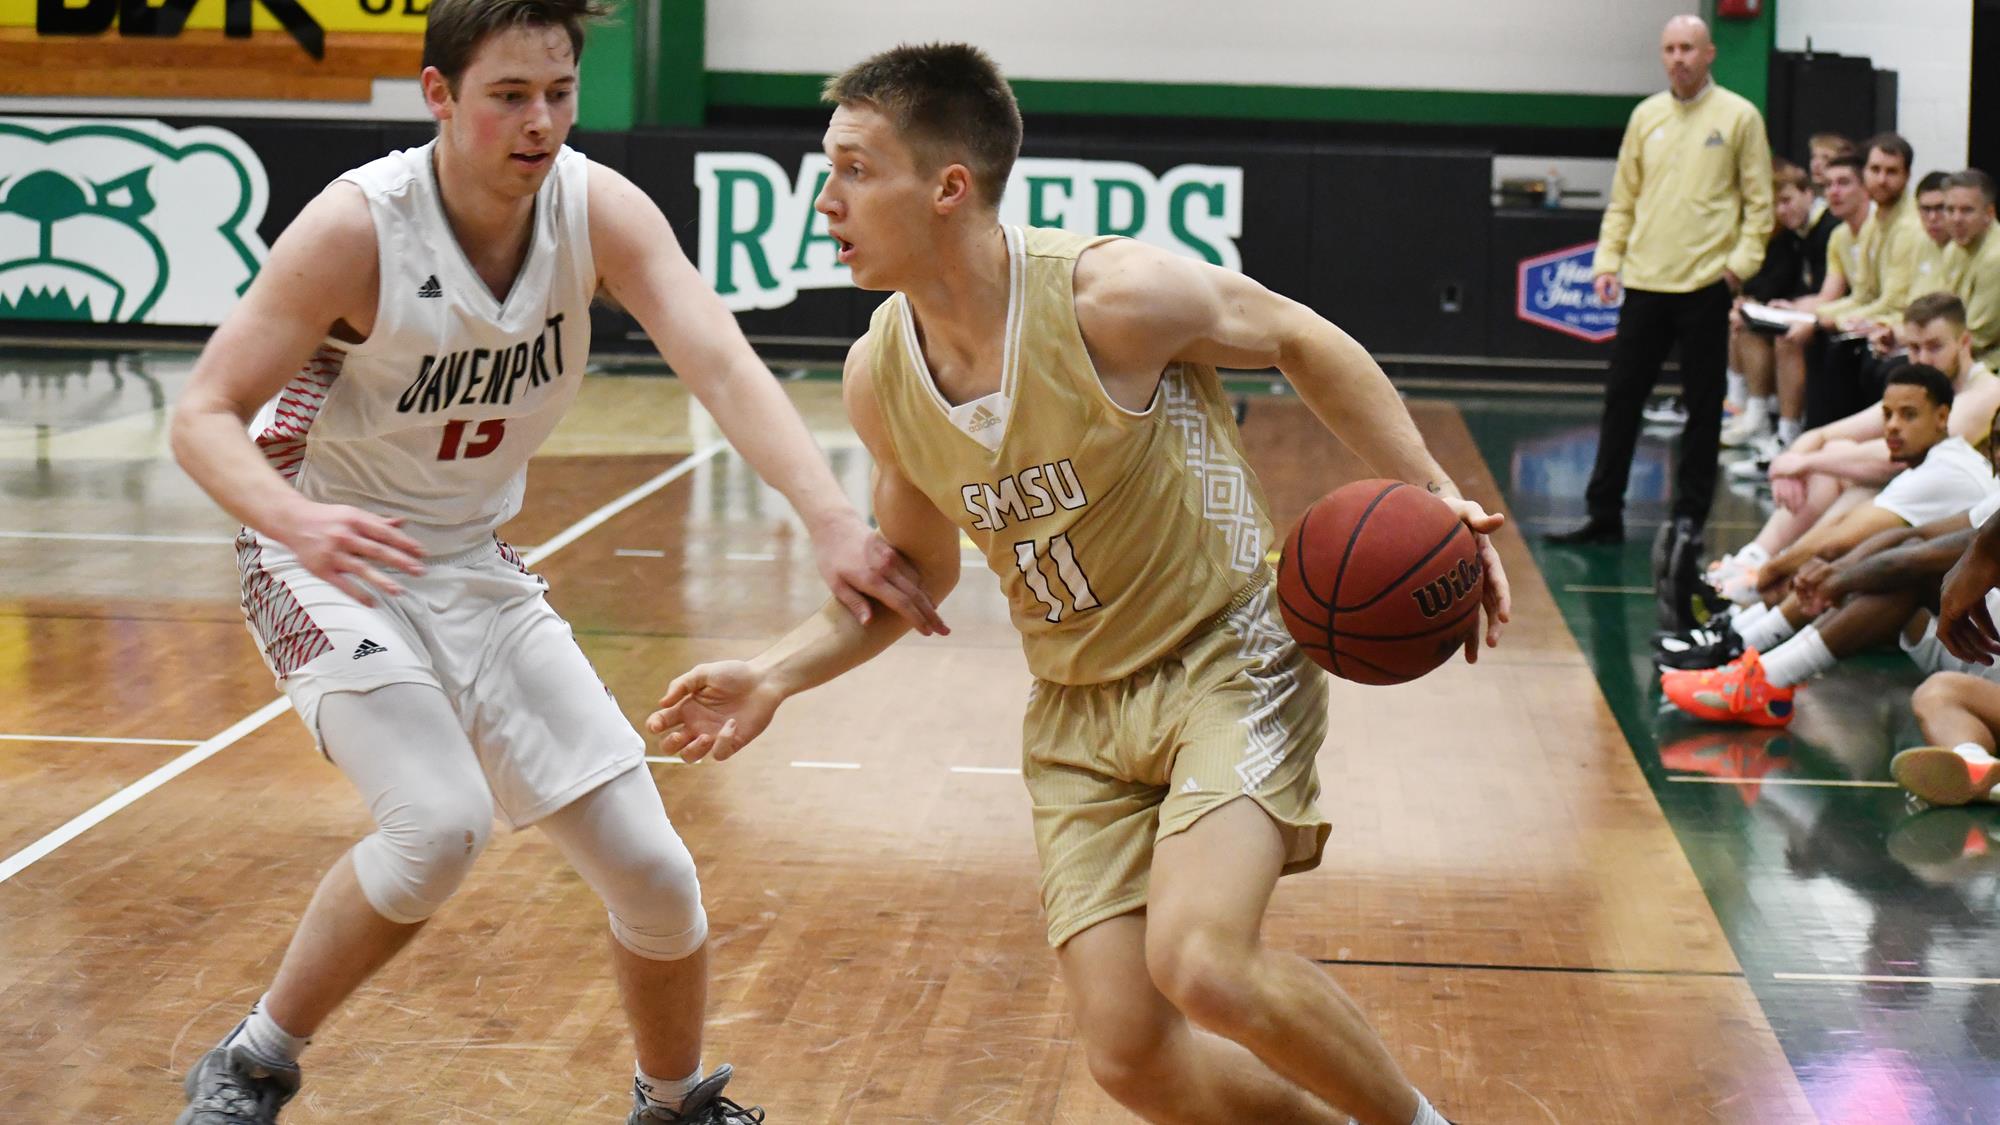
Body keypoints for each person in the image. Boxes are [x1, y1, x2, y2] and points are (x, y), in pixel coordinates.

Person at [646, 42, 1508, 1125]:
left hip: (1225, 657)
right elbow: (913, 572)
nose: (827, 199)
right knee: (1132, 1061)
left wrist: (1430, 490)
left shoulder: (1110, 296)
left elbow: (1295, 335)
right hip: (1076, 715)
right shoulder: (880, 377)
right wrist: (772, 676)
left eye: (857, 169)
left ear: (947, 186)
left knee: (1204, 963)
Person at [166, 2, 946, 1123]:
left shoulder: (595, 210)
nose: (541, 123)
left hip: (472, 559)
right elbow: (202, 416)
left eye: (559, 95)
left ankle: (673, 1105)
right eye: (509, 97)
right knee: (436, 825)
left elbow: (720, 364)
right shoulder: (357, 228)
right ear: (438, 96)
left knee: (655, 876)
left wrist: (830, 520)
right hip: (323, 551)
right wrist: (295, 524)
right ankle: (251, 1060)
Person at [1546, 14, 1772, 554]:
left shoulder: (1740, 117)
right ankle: (1603, 513)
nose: (1679, 58)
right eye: (1670, 48)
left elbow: (1760, 205)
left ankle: (1690, 519)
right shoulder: (1646, 116)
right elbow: (1623, 198)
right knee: (1622, 398)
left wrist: (1738, 265)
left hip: (1705, 283)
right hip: (1645, 281)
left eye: (1689, 48)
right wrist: (1607, 262)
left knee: (1703, 405)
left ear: (1710, 52)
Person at [1659, 365, 1997, 724]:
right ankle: (1744, 645)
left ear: (1943, 417)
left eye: (1908, 415)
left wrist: (1814, 576)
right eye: (1888, 415)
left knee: (1890, 572)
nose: (1893, 426)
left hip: (1987, 652)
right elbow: (1896, 540)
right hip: (1977, 636)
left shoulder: (1947, 471)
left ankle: (1748, 652)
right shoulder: (1938, 463)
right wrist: (1829, 574)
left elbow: (1881, 552)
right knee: (1865, 558)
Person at [1705, 294, 1999, 603]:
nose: (1924, 358)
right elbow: (1822, 434)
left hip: (1960, 519)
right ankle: (1758, 558)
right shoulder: (1923, 386)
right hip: (1915, 503)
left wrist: (1806, 463)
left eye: (1934, 347)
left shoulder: (1985, 393)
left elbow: (1895, 459)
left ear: (1964, 342)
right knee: (1838, 453)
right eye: (1913, 348)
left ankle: (1778, 573)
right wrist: (1788, 464)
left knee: (1855, 476)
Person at [1724, 157, 1841, 447]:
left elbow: (1835, 293)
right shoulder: (1793, 235)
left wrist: (1794, 308)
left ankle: (1786, 434)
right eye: (1776, 204)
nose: (1782, 210)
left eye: (1787, 200)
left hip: (1835, 314)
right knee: (1744, 317)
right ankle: (1748, 410)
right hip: (1811, 307)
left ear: (1808, 193)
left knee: (1785, 336)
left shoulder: (1830, 230)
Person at [1944, 169, 2000, 367]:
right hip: (1960, 352)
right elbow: (1943, 310)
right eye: (1950, 210)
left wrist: (1925, 346)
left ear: (1989, 214)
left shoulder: (1996, 257)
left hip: (1990, 364)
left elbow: (1979, 337)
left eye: (1967, 210)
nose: (1956, 219)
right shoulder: (1953, 248)